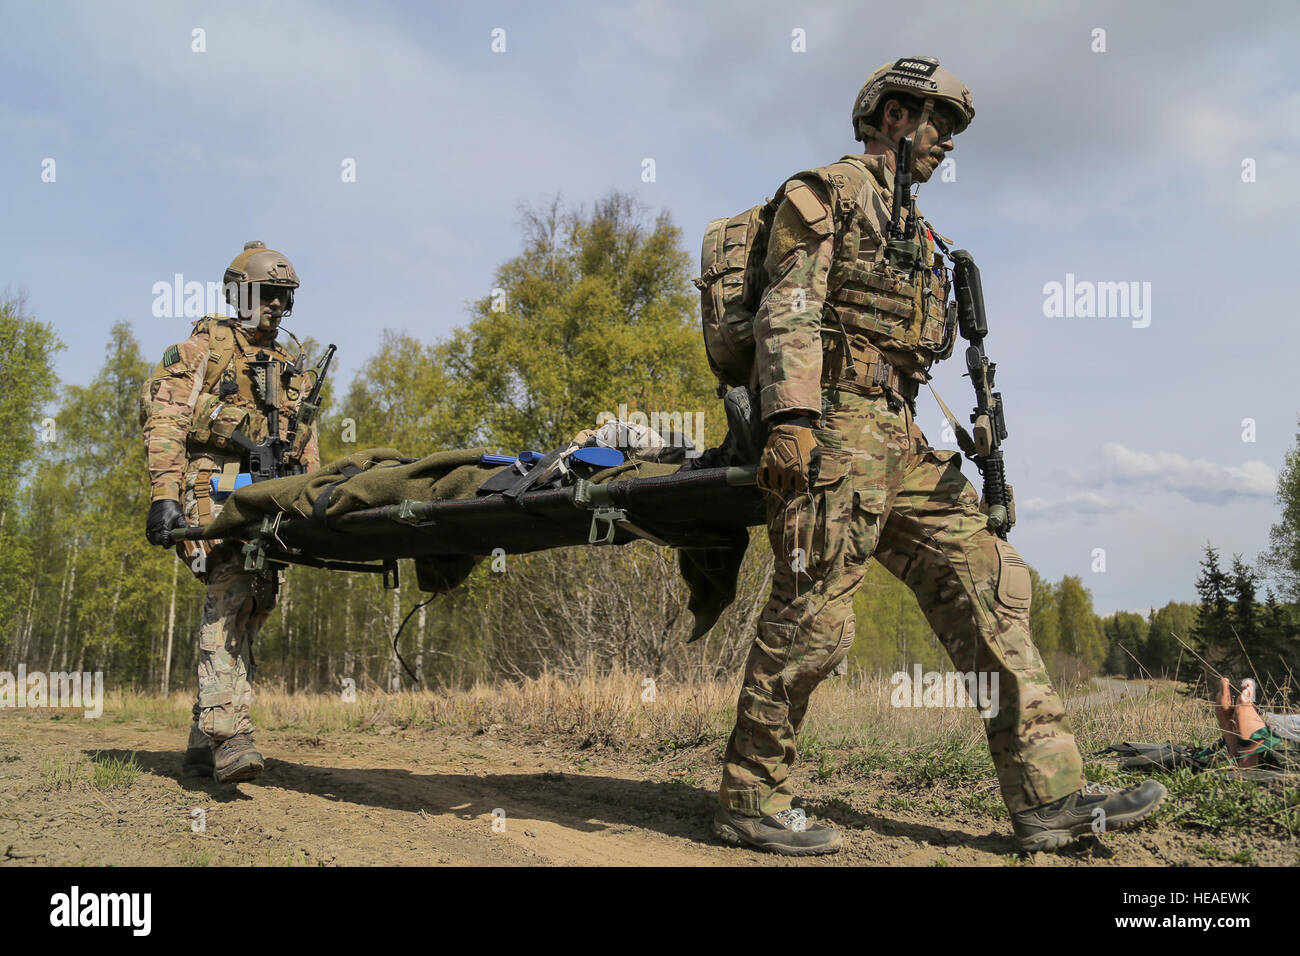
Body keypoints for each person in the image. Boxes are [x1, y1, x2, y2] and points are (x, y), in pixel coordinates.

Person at [713, 57, 1166, 855]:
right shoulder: (828, 191)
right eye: (939, 123)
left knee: (991, 580)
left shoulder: (920, 231)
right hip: (833, 421)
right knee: (812, 615)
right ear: (892, 115)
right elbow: (790, 307)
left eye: (955, 129)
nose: (948, 142)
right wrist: (790, 419)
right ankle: (751, 799)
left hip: (900, 433)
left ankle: (1050, 797)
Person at [140, 241, 320, 784]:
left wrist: (318, 501)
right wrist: (164, 497)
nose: (276, 309)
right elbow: (166, 423)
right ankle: (228, 731)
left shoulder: (293, 368)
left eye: (283, 299)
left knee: (258, 600)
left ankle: (202, 737)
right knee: (232, 589)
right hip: (210, 488)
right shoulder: (199, 351)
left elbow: (305, 442)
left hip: (272, 496)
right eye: (268, 295)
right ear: (241, 292)